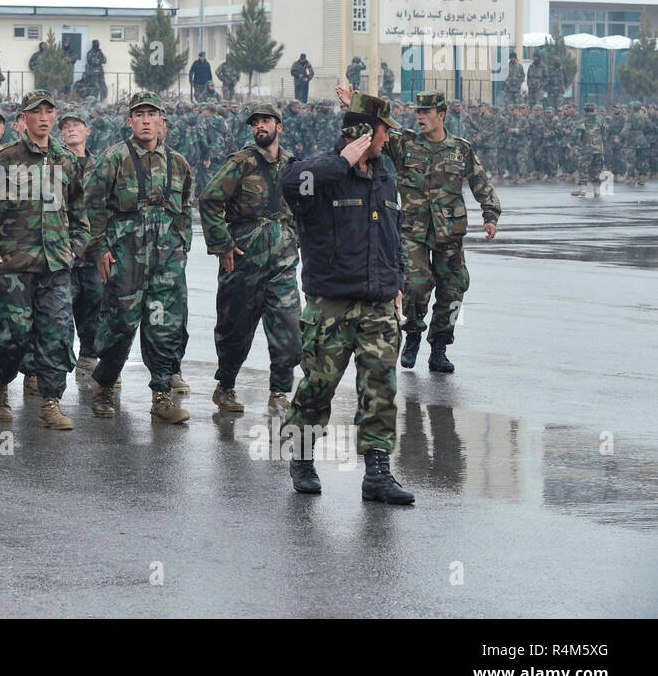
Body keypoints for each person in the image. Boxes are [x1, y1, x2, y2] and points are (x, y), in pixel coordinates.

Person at [279, 91, 414, 504]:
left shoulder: (386, 175)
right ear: (362, 135)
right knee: (318, 387)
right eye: (383, 132)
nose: (388, 140)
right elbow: (289, 182)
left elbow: (395, 236)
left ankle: (377, 473)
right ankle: (301, 457)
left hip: (378, 303)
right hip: (331, 304)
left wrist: (398, 285)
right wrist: (342, 160)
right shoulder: (321, 176)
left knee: (380, 390)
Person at [339, 87, 499, 374]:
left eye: (426, 113)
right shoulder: (404, 143)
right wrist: (357, 106)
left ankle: (439, 347)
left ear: (442, 115)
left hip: (449, 230)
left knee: (454, 289)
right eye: (418, 112)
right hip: (412, 229)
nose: (421, 117)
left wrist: (490, 214)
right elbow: (376, 130)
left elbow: (480, 182)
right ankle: (413, 333)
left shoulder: (460, 148)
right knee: (415, 285)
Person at [0, 89, 88, 429]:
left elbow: (80, 209)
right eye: (37, 112)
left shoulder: (66, 160)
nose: (45, 117)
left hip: (56, 266)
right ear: (23, 119)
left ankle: (51, 401)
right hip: (15, 266)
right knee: (11, 335)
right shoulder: (5, 158)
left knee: (58, 333)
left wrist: (76, 245)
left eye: (50, 111)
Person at [82, 92, 192, 423]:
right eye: (139, 115)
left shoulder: (178, 163)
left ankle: (161, 396)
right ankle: (103, 386)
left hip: (166, 261)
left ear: (162, 121)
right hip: (125, 256)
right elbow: (91, 205)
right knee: (120, 324)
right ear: (130, 122)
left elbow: (185, 207)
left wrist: (180, 244)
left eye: (152, 114)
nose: (146, 120)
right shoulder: (114, 158)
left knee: (164, 326)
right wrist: (100, 248)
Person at [198, 103, 300, 419]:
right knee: (234, 330)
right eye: (255, 123)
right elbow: (210, 200)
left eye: (266, 121)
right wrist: (222, 244)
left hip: (282, 263)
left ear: (279, 126)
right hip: (242, 261)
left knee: (289, 329)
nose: (260, 126)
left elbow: (304, 206)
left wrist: (296, 236)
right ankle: (225, 386)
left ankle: (279, 393)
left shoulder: (292, 166)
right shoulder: (240, 163)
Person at [58, 107, 103, 374]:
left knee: (94, 303)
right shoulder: (54, 165)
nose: (70, 130)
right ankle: (58, 363)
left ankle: (89, 354)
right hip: (63, 249)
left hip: (94, 251)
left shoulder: (102, 167)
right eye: (65, 127)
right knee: (62, 307)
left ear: (87, 131)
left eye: (76, 125)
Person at [570, 103, 606, 198]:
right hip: (599, 149)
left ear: (584, 111)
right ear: (594, 110)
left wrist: (572, 144)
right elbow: (605, 134)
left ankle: (583, 189)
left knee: (583, 168)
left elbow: (576, 134)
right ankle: (597, 189)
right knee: (597, 169)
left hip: (587, 150)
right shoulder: (600, 120)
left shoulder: (582, 121)